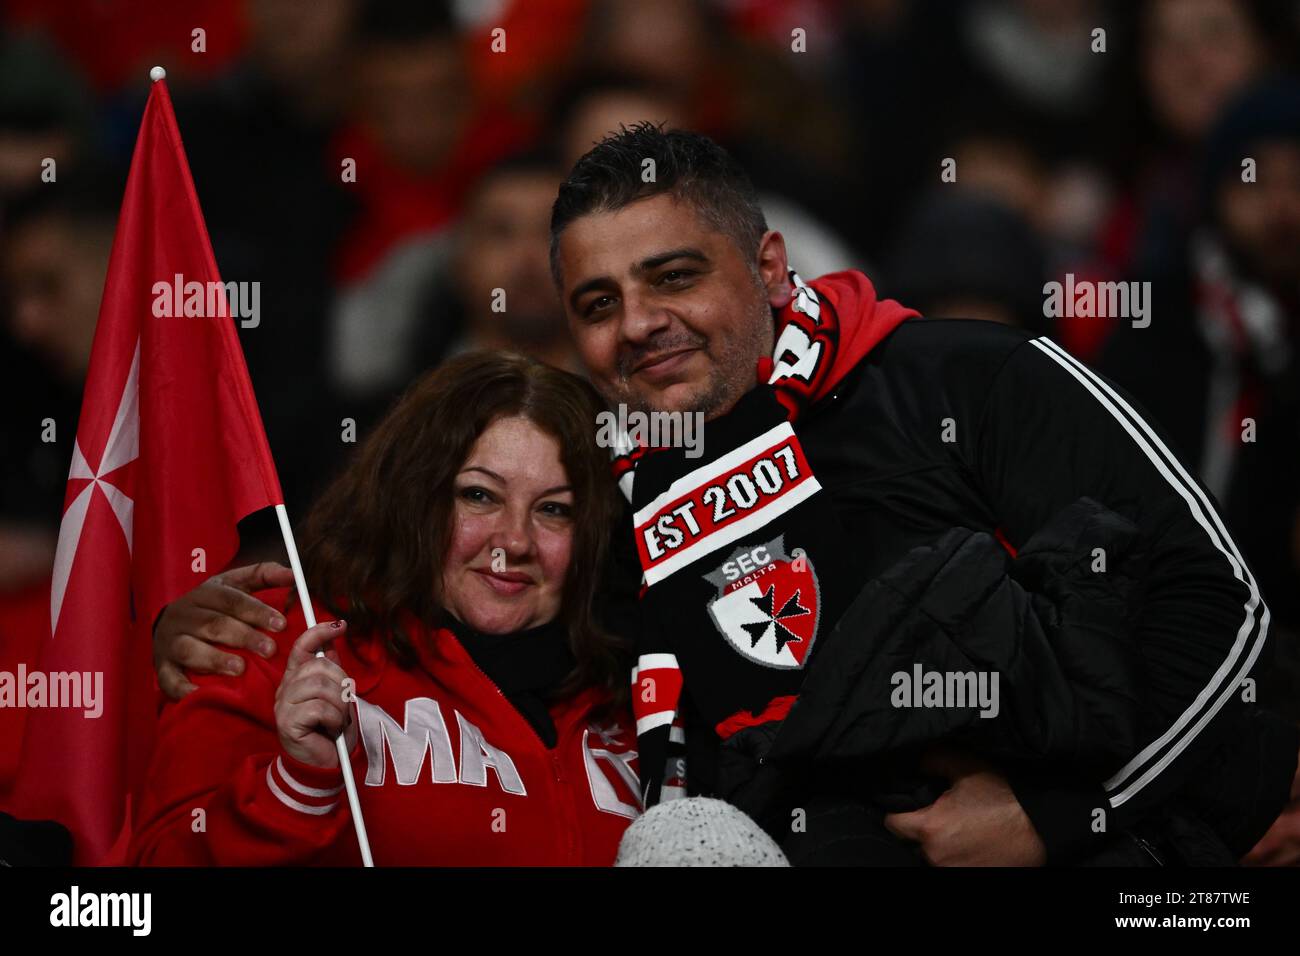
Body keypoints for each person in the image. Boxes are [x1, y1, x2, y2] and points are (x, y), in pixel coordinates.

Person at [156, 124, 1299, 866]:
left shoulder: (961, 377)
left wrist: (1055, 820)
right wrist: (203, 617)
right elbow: (452, 591)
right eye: (597, 301)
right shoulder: (601, 496)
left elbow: (1218, 615)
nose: (637, 323)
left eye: (672, 274)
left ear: (765, 268)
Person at [131, 352, 639, 865]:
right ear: (414, 499)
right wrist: (298, 786)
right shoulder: (272, 639)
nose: (514, 540)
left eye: (555, 509)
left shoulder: (643, 696)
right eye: (479, 496)